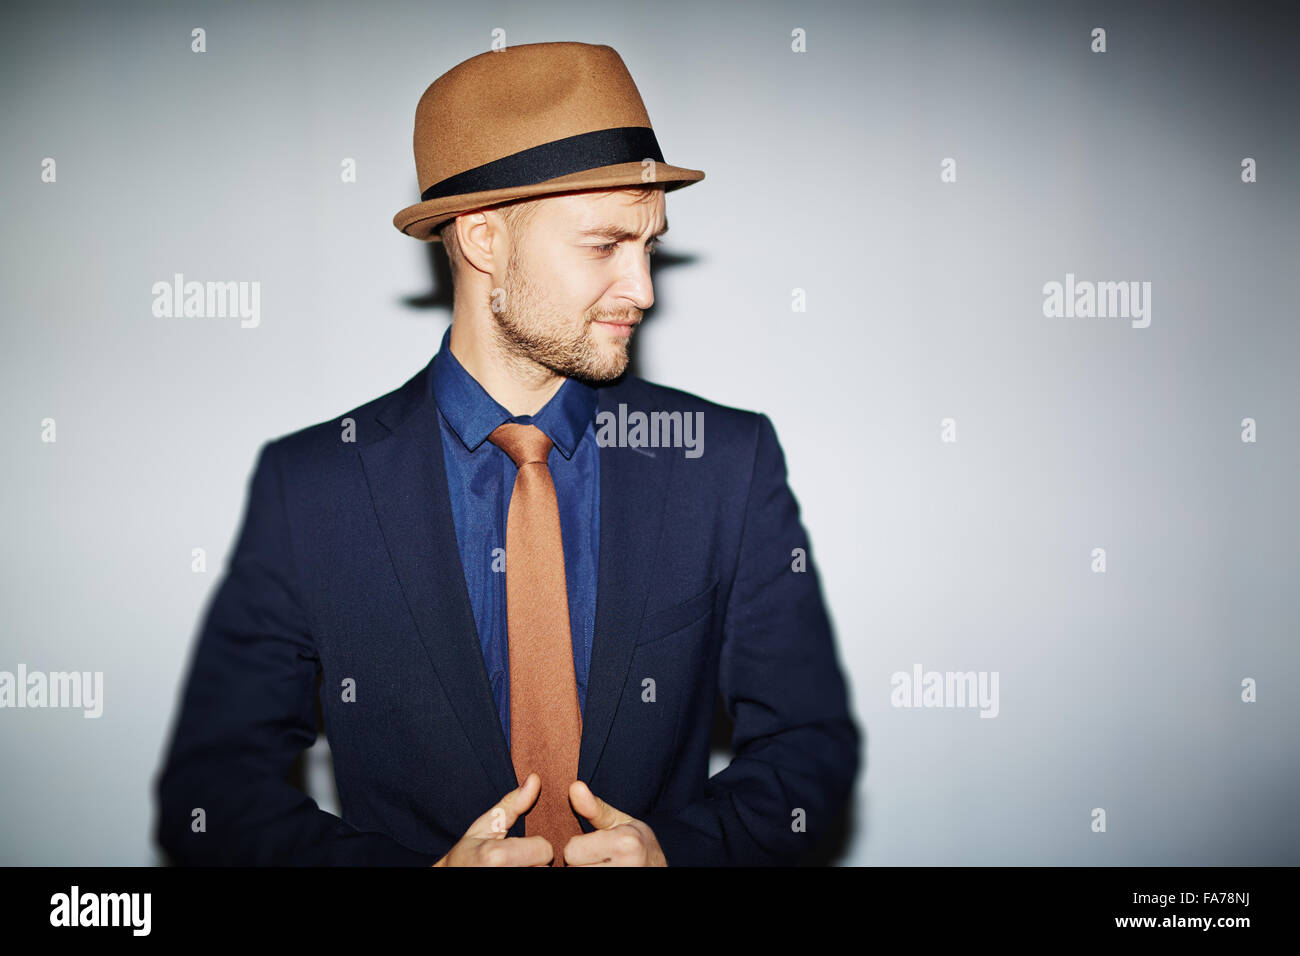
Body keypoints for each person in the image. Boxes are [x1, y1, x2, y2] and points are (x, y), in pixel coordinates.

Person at [154, 40, 860, 867]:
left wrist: (681, 853)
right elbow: (211, 792)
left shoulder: (724, 462)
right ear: (483, 240)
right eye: (604, 246)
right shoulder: (310, 487)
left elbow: (812, 746)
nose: (644, 289)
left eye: (650, 245)